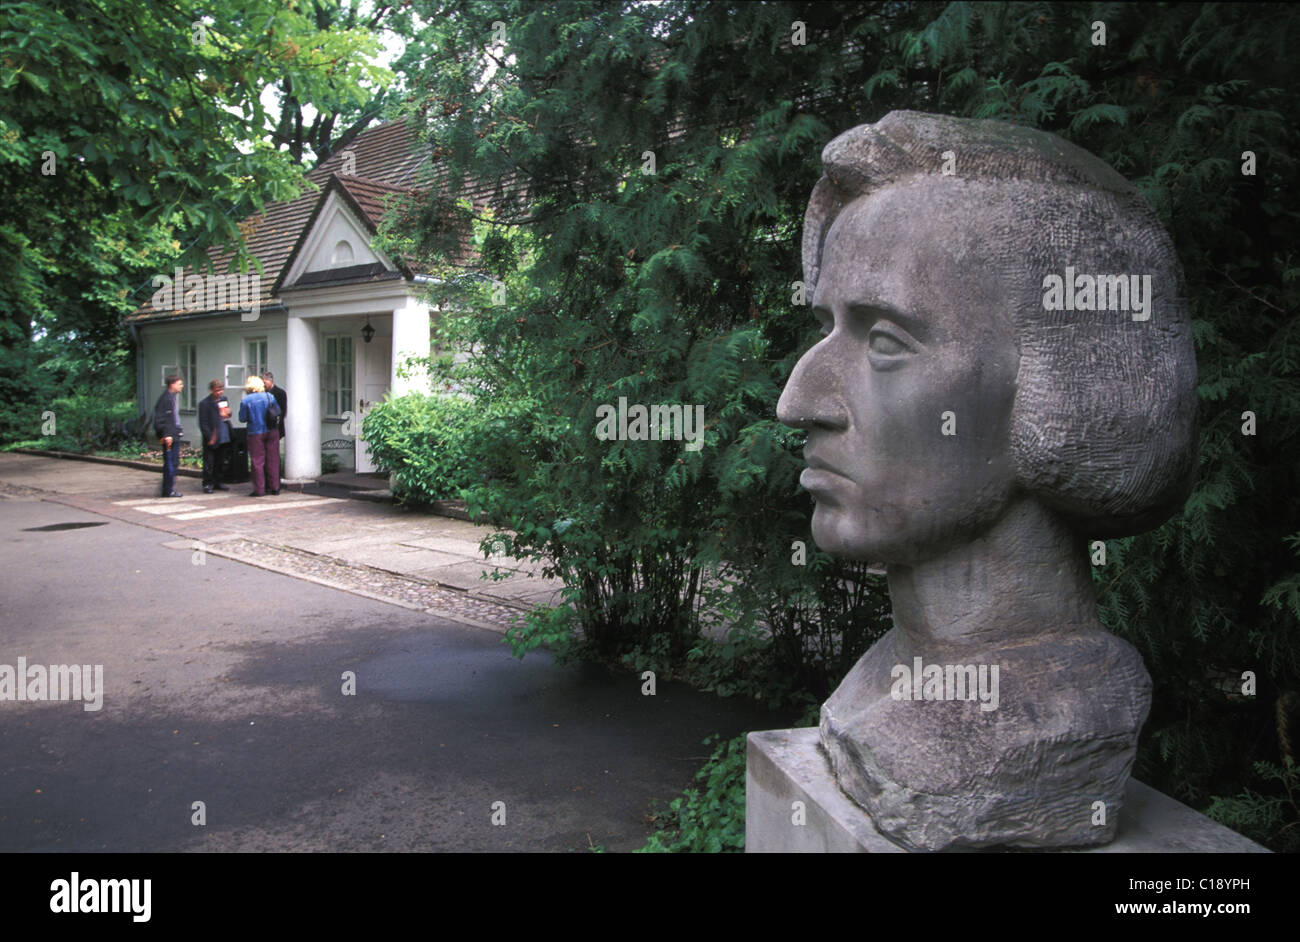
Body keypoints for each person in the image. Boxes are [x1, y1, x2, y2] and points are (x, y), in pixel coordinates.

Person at [776, 111, 1197, 850]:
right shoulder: (875, 688)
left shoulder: (1063, 714)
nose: (798, 401)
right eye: (824, 326)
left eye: (883, 339)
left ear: (1065, 386)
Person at [238, 375, 279, 496]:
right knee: (273, 459)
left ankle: (259, 489)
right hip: (272, 430)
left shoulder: (246, 400)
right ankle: (275, 487)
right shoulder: (269, 396)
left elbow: (242, 418)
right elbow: (277, 411)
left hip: (255, 432)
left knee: (257, 461)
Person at [152, 374, 184, 497]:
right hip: (169, 437)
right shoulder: (165, 399)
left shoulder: (171, 398)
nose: (181, 386)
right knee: (170, 463)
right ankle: (167, 489)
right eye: (179, 384)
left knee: (174, 463)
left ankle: (168, 487)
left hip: (174, 434)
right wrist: (166, 435)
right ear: (173, 384)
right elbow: (160, 420)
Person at [198, 380, 232, 493]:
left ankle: (218, 481)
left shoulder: (224, 399)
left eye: (221, 390)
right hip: (212, 436)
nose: (219, 393)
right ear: (211, 390)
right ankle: (207, 483)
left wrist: (228, 413)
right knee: (209, 462)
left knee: (220, 460)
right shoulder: (204, 403)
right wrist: (209, 437)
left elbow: (227, 415)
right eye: (217, 390)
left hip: (223, 434)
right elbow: (203, 423)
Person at [261, 371, 286, 482]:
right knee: (264, 456)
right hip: (263, 429)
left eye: (264, 382)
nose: (263, 384)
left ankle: (275, 479)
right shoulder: (261, 394)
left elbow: (283, 412)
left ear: (270, 381)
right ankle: (267, 479)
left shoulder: (280, 393)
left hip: (275, 428)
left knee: (274, 456)